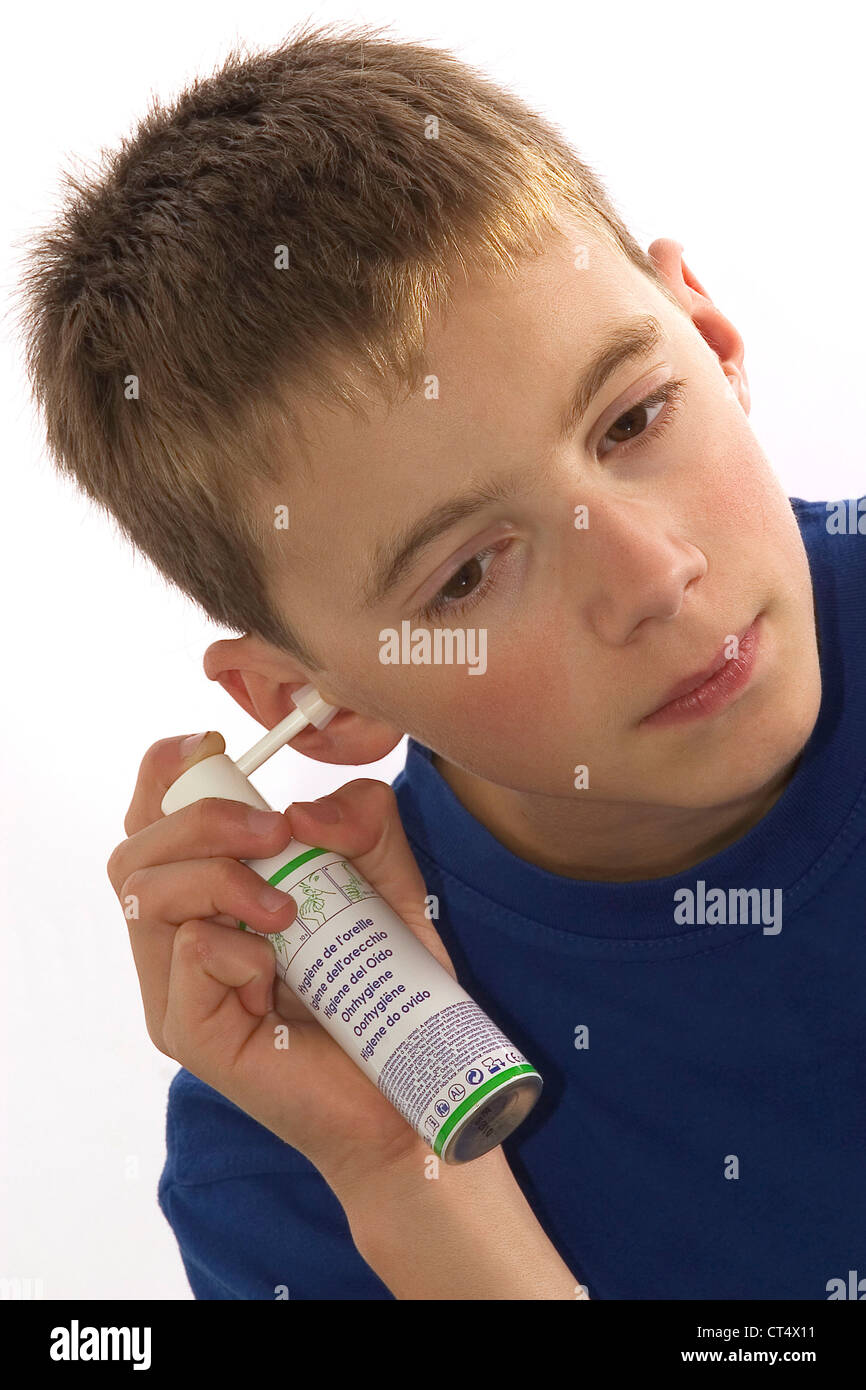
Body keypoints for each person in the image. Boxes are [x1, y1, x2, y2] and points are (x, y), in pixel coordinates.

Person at [19, 21, 865, 1299]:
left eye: (632, 418)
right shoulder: (301, 1151)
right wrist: (412, 1194)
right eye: (465, 572)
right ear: (311, 705)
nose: (649, 577)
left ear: (711, 334)